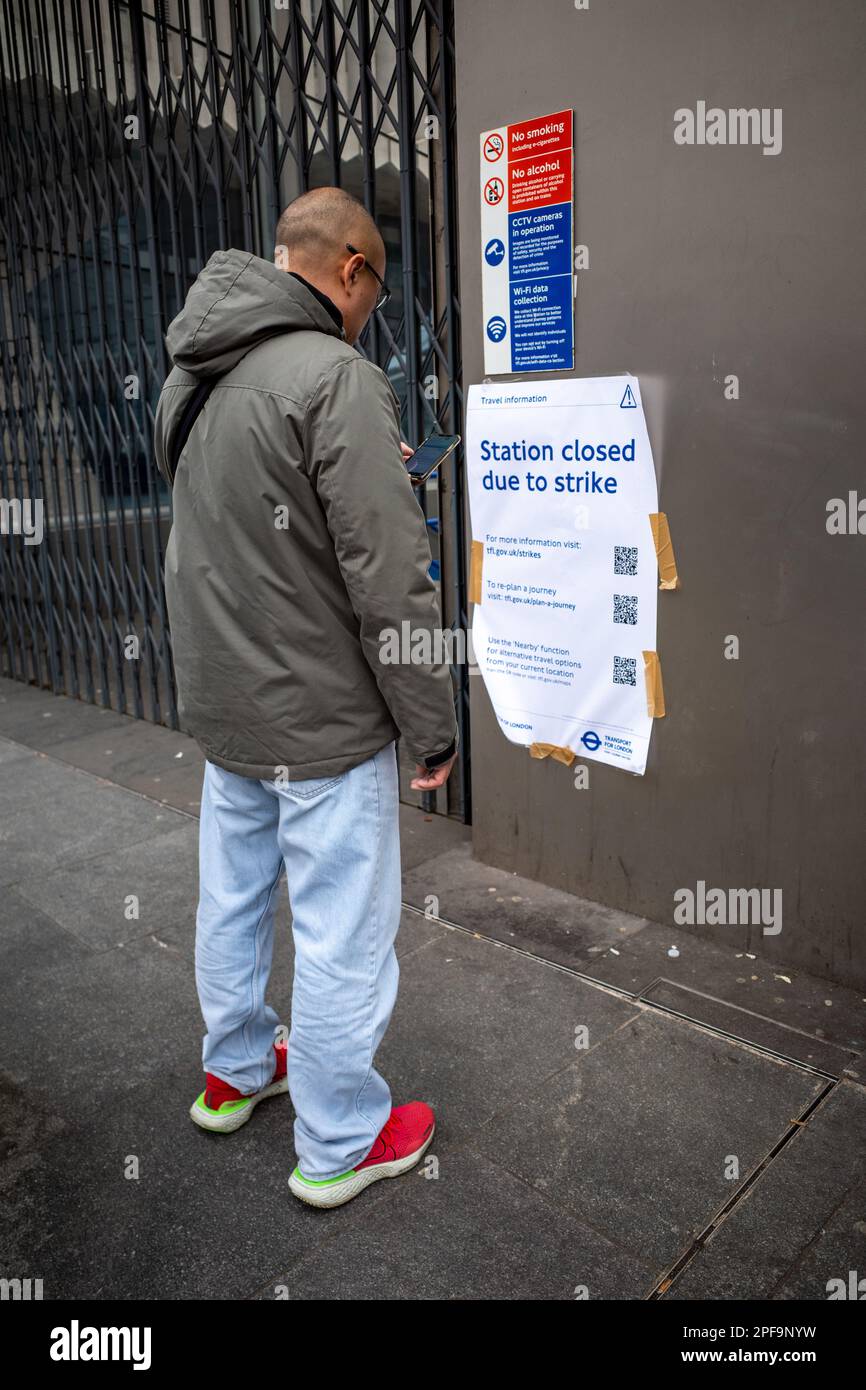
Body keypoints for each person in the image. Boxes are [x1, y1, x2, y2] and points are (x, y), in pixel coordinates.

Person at [153, 187, 458, 1209]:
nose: (370, 306)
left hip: (227, 702)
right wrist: (430, 721)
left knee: (232, 894)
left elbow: (237, 525)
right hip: (322, 716)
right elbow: (386, 572)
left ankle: (233, 1071)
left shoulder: (190, 374)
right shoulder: (336, 375)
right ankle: (340, 1136)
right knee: (341, 927)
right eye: (374, 285)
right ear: (349, 269)